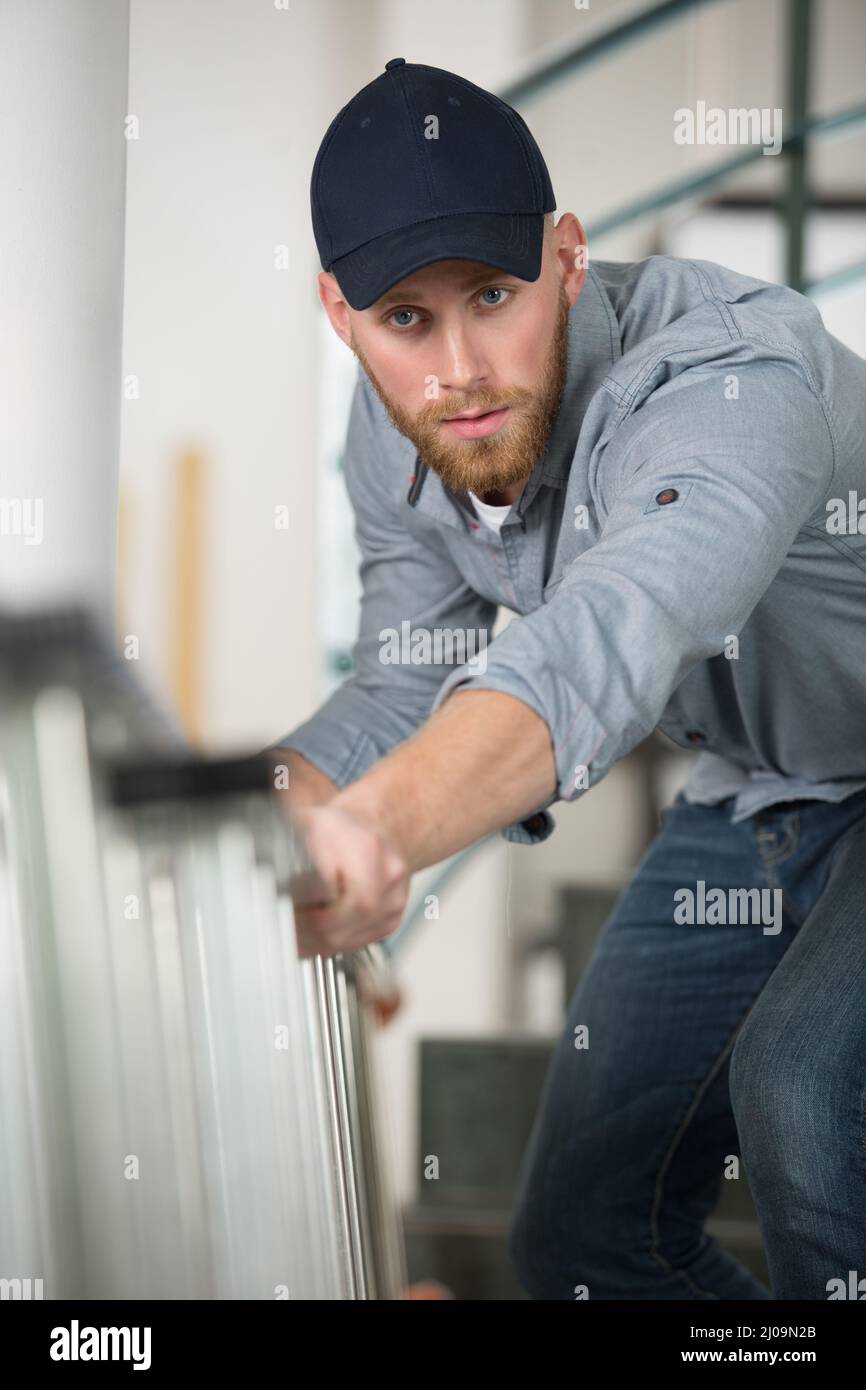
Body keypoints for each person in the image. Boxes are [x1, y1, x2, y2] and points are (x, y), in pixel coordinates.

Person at [268, 58, 866, 1299]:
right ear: (339, 313)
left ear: (569, 253)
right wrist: (260, 830)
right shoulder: (397, 442)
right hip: (757, 793)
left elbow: (615, 627)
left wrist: (376, 828)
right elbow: (398, 679)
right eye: (406, 320)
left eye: (495, 293)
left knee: (802, 1099)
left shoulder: (733, 375)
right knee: (584, 1234)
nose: (462, 370)